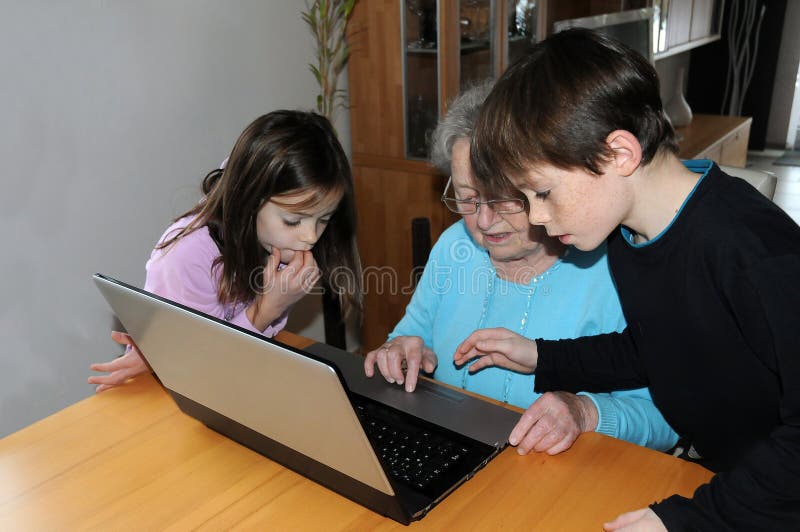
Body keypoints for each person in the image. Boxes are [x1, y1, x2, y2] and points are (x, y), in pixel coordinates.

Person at [458, 28, 800, 530]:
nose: (535, 219)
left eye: (544, 193)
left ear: (619, 154)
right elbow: (661, 347)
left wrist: (690, 520)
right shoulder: (628, 234)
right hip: (729, 481)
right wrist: (544, 356)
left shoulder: (752, 251)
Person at [364, 82, 677, 455]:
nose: (483, 220)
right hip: (448, 452)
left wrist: (584, 411)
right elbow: (414, 333)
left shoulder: (615, 272)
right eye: (468, 199)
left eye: (506, 200)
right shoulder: (455, 246)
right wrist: (401, 349)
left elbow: (665, 419)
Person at [89, 110, 362, 393]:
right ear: (249, 201)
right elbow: (203, 366)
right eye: (293, 221)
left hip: (232, 377)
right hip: (169, 391)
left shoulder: (278, 240)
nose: (310, 237)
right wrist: (267, 308)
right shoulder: (186, 256)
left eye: (324, 219)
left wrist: (270, 309)